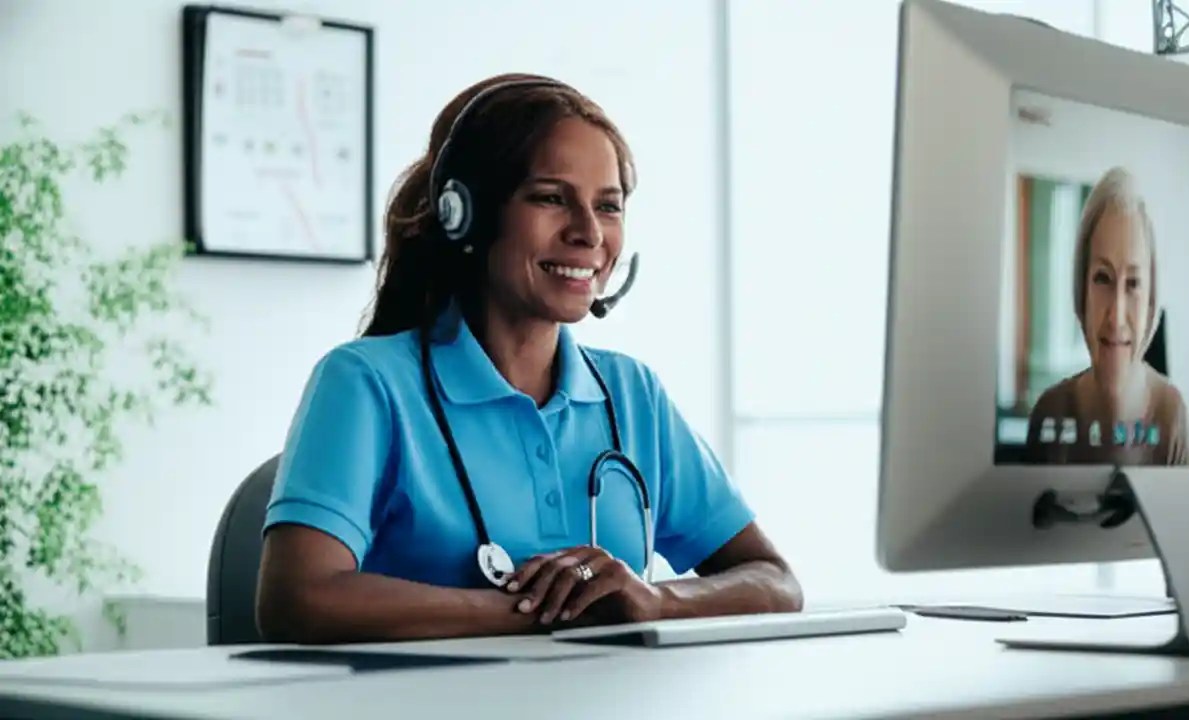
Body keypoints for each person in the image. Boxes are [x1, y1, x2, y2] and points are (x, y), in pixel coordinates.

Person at [255, 73, 803, 643]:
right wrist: (550, 610)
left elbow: (775, 582)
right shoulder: (366, 383)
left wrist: (650, 600)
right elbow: (298, 599)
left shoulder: (633, 393)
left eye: (608, 206)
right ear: (461, 213)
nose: (589, 233)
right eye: (550, 198)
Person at [1024, 166, 1189, 465]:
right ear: (1081, 289)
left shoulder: (1172, 415)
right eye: (1102, 278)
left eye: (1133, 284)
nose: (1116, 317)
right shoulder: (1049, 413)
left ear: (1151, 300)